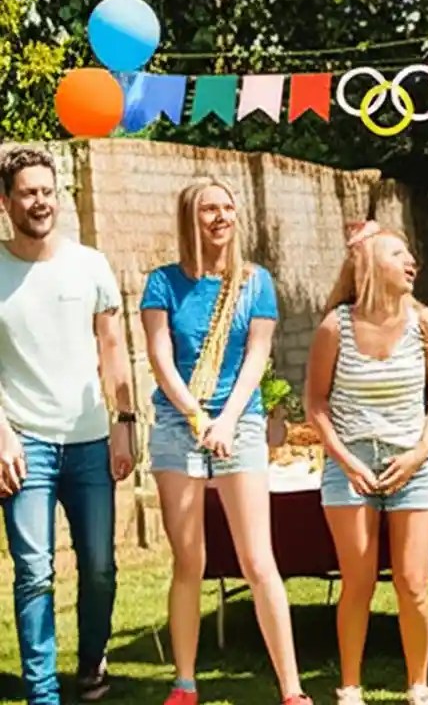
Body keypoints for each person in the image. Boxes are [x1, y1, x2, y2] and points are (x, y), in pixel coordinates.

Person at [140, 178, 311, 705]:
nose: (221, 217)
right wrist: (194, 414)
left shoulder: (255, 282)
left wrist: (228, 419)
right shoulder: (162, 283)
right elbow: (159, 355)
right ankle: (185, 683)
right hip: (177, 425)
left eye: (227, 208)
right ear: (189, 218)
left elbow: (257, 356)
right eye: (209, 209)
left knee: (258, 560)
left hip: (240, 422)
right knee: (189, 559)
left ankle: (292, 689)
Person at [0, 147, 136, 704]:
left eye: (47, 191)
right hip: (22, 441)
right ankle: (41, 692)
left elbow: (112, 346)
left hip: (89, 439)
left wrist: (125, 422)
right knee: (34, 571)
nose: (40, 201)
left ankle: (91, 663)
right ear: (5, 201)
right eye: (28, 192)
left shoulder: (90, 264)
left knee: (100, 568)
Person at [305, 221, 428, 705]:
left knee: (413, 582)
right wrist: (345, 461)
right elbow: (315, 404)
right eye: (398, 254)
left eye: (411, 255)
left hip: (412, 463)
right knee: (359, 581)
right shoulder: (335, 327)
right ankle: (350, 686)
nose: (412, 262)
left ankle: (419, 685)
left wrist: (417, 455)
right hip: (352, 462)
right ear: (369, 263)